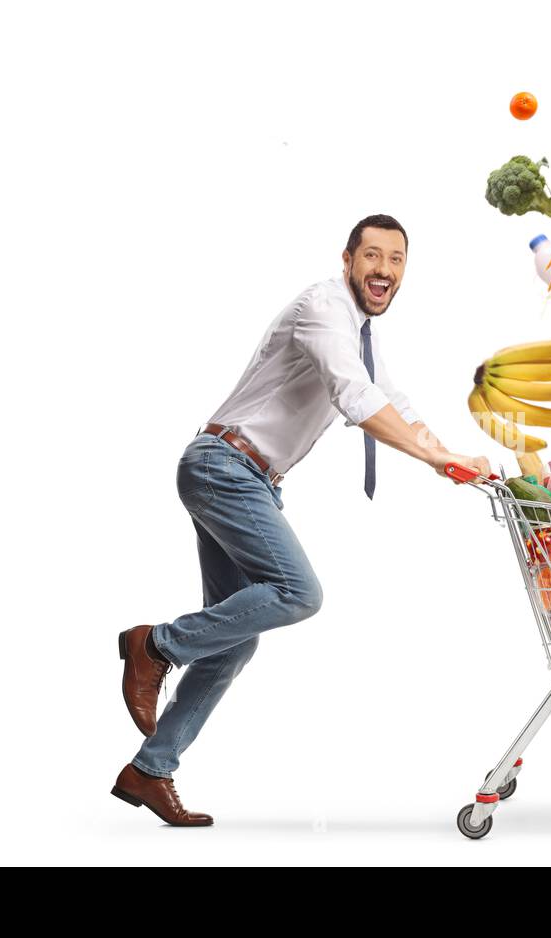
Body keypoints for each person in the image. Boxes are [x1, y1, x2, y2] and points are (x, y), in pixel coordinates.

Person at [110, 214, 491, 825]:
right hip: (224, 467)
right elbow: (355, 395)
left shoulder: (361, 332)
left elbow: (394, 401)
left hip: (248, 478)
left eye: (396, 260)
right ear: (348, 260)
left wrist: (447, 456)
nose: (384, 270)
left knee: (233, 645)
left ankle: (150, 770)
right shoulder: (323, 310)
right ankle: (153, 644)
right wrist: (428, 454)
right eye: (372, 256)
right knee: (298, 593)